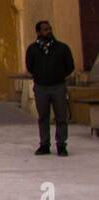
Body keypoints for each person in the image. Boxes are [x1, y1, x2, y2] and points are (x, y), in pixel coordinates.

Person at [26, 20, 75, 156]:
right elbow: (30, 66)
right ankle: (44, 144)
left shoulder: (62, 48)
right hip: (41, 87)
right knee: (43, 117)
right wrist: (40, 76)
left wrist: (58, 76)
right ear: (38, 32)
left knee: (61, 117)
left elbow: (70, 66)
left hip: (58, 86)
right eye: (45, 30)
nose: (48, 32)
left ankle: (61, 145)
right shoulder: (32, 49)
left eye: (49, 29)